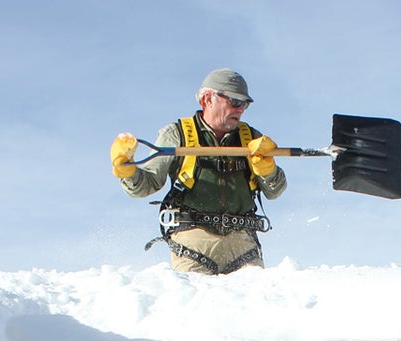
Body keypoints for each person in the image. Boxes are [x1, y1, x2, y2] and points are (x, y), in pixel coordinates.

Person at [110, 68, 287, 274]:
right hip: (193, 244)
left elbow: (275, 191)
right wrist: (127, 169)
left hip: (243, 245)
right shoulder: (177, 135)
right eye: (235, 102)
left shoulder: (253, 140)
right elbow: (146, 186)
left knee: (255, 304)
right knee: (195, 303)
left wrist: (268, 169)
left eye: (244, 104)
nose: (240, 110)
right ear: (207, 100)